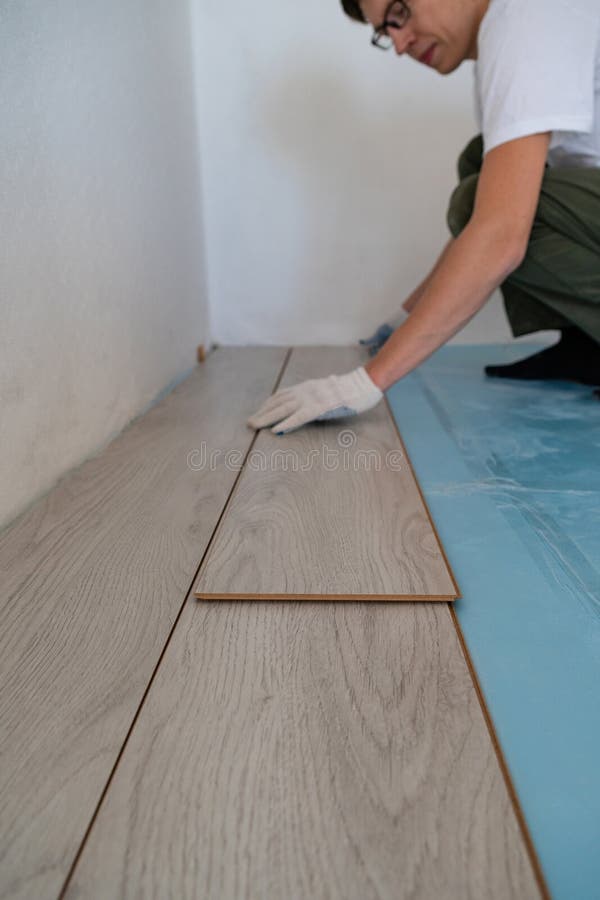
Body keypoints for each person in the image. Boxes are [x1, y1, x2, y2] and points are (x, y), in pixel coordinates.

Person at [248, 0, 600, 436]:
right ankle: (587, 345)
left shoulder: (527, 19)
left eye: (399, 13)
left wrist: (367, 382)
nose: (399, 42)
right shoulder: (509, 32)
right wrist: (402, 321)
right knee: (485, 168)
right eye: (385, 32)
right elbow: (492, 220)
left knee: (484, 199)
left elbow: (502, 233)